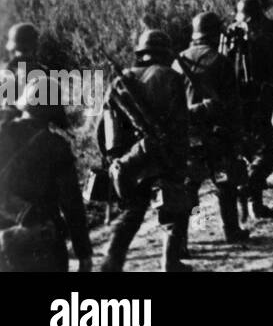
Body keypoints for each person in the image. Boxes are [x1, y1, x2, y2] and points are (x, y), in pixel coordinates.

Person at [98, 30, 190, 272]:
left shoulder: (121, 79)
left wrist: (116, 158)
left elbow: (106, 125)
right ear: (164, 52)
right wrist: (180, 157)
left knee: (132, 211)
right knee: (175, 207)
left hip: (131, 160)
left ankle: (112, 260)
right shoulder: (171, 77)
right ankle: (170, 263)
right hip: (164, 154)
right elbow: (180, 122)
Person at [0, 79, 93, 272]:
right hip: (44, 240)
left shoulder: (3, 133)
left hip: (5, 240)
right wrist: (83, 254)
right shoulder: (56, 145)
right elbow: (72, 204)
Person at [175, 12, 249, 246]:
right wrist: (238, 135)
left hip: (187, 134)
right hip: (217, 133)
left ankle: (191, 234)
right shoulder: (220, 60)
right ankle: (231, 231)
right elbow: (232, 103)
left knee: (189, 187)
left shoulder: (178, 62)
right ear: (216, 34)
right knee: (225, 183)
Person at [223, 0, 273, 222]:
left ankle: (254, 204)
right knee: (266, 154)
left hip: (237, 106)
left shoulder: (230, 41)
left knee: (246, 153)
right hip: (262, 104)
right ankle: (250, 191)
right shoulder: (265, 39)